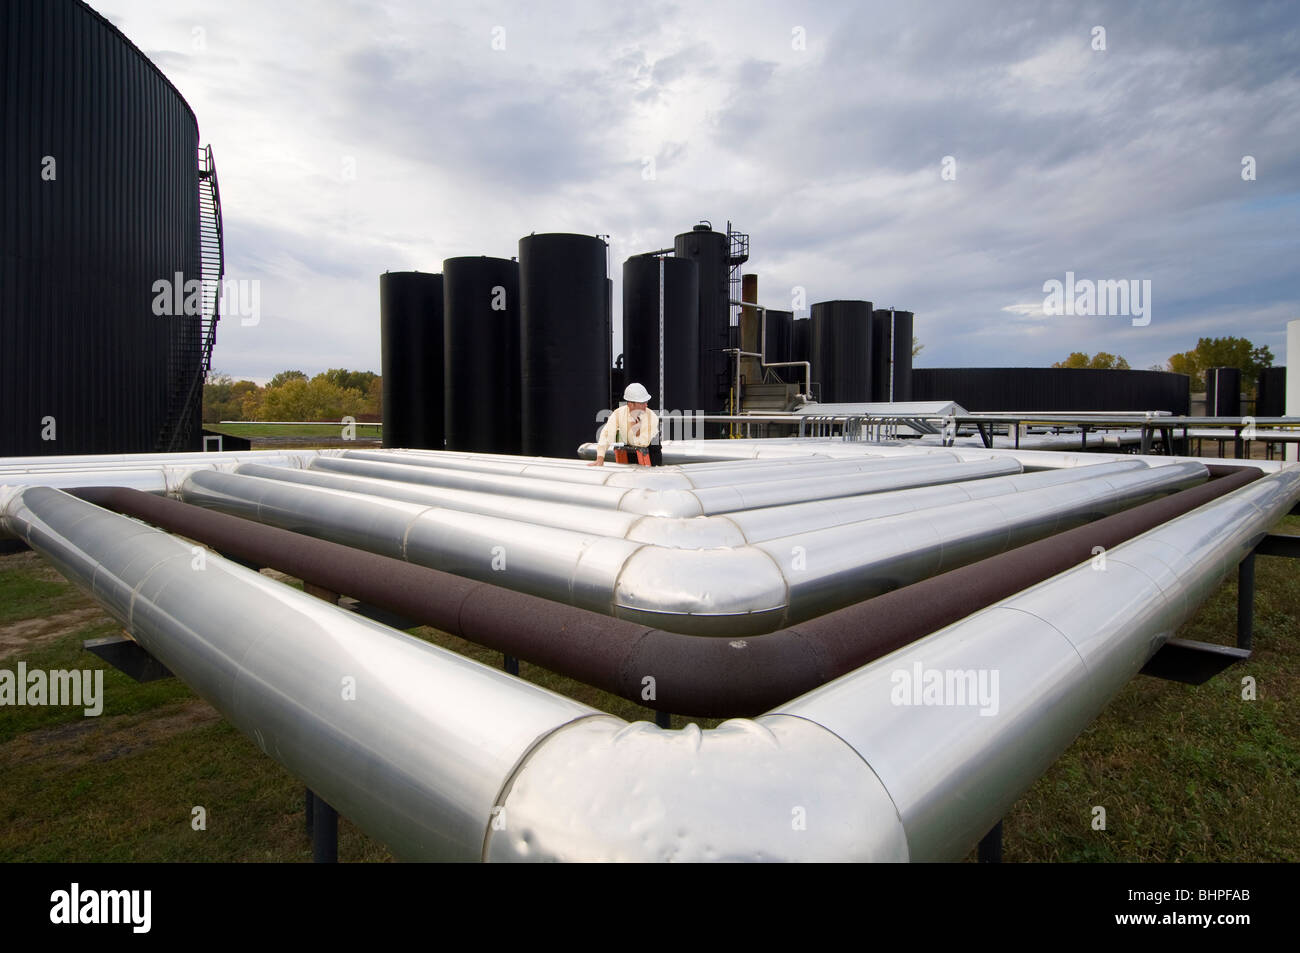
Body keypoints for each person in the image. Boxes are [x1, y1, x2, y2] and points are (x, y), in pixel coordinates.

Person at [590, 382, 659, 466]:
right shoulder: (618, 413)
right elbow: (607, 434)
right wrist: (600, 458)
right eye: (642, 403)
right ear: (630, 404)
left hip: (651, 451)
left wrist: (633, 422)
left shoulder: (652, 417)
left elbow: (642, 443)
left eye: (646, 401)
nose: (646, 405)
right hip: (631, 447)